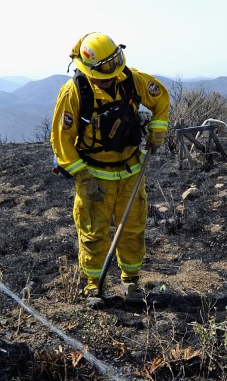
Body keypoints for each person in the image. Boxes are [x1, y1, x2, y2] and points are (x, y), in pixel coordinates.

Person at [50, 32, 169, 308]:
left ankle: (131, 281)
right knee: (93, 232)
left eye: (114, 69)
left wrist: (157, 132)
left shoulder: (131, 80)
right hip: (95, 175)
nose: (111, 76)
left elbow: (161, 99)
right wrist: (82, 176)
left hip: (130, 171)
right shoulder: (74, 92)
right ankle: (95, 286)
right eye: (104, 73)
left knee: (132, 228)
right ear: (88, 68)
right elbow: (61, 139)